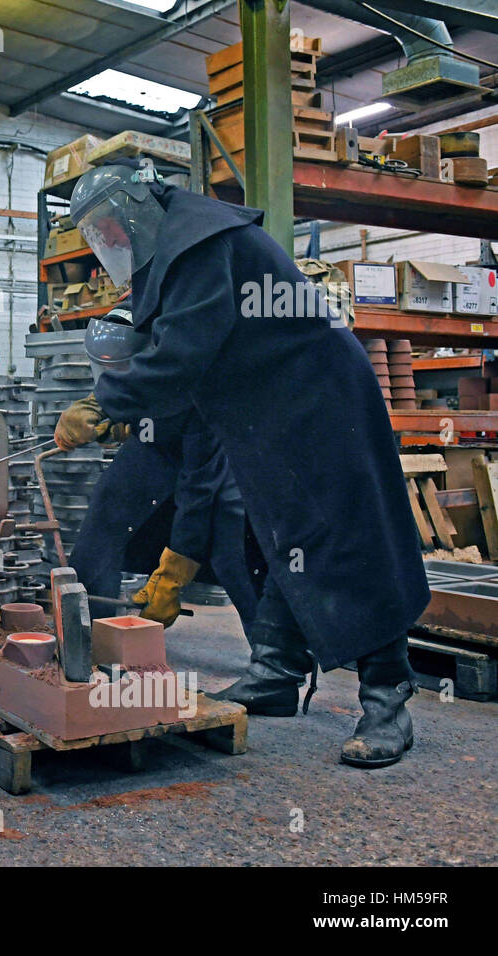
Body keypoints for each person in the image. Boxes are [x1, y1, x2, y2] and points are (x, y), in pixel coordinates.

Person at [55, 160, 428, 768]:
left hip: (322, 400)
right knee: (279, 531)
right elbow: (189, 361)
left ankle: (388, 699)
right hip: (272, 408)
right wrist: (125, 411)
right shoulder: (180, 251)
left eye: (111, 230)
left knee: (351, 540)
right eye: (99, 237)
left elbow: (180, 355)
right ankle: (277, 671)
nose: (110, 246)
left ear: (138, 211)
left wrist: (104, 403)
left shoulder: (202, 244)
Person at [67, 308, 263, 631]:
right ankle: (85, 631)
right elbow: (141, 392)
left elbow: (198, 486)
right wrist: (118, 418)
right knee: (110, 503)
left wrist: (175, 572)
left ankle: (275, 659)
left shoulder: (201, 349)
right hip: (167, 434)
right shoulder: (153, 294)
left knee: (232, 544)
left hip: (222, 442)